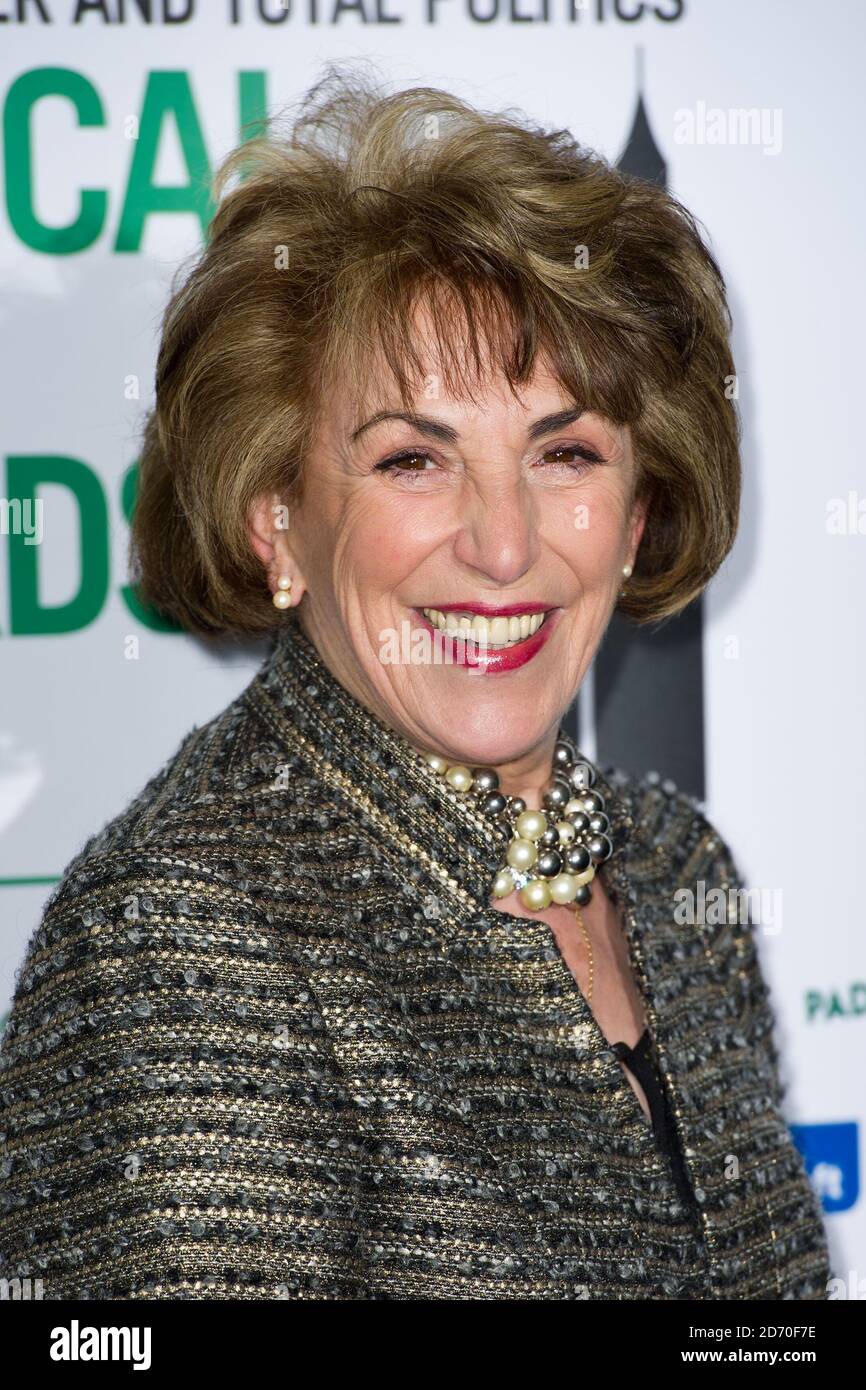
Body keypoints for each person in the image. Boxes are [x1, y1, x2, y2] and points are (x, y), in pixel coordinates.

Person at [0, 66, 832, 1300]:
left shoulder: (672, 867)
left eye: (563, 452)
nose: (503, 544)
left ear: (636, 509)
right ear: (273, 515)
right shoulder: (179, 944)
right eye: (410, 458)